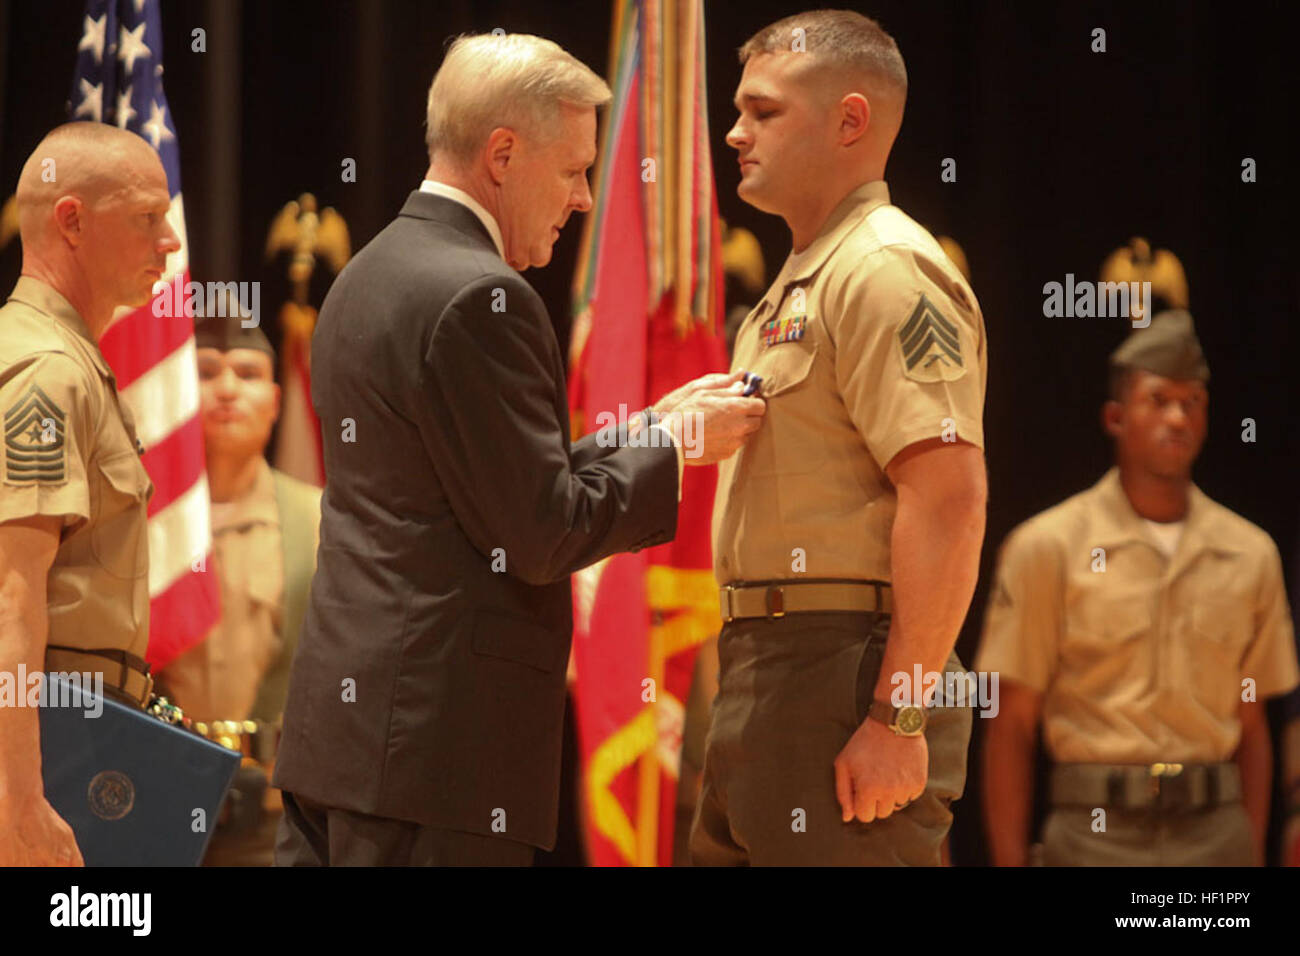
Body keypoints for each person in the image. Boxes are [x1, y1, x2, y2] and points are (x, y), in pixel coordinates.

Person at [272, 32, 764, 866]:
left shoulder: (369, 271)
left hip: (348, 740)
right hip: (438, 756)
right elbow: (540, 532)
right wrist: (677, 446)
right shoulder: (480, 295)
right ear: (502, 154)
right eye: (574, 169)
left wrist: (647, 428)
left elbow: (487, 482)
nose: (582, 199)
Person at [689, 10, 988, 866]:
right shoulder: (799, 282)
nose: (734, 131)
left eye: (764, 111)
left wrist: (899, 715)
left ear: (850, 121)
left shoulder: (887, 270)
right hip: (768, 666)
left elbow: (950, 498)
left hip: (843, 669)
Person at [978, 311, 1300, 866]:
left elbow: (1252, 726)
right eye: (1158, 400)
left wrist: (1246, 854)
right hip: (1092, 834)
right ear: (1115, 416)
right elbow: (1012, 724)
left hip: (1215, 833)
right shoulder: (1047, 547)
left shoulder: (1251, 553)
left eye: (1192, 402)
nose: (1178, 417)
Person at [0, 122, 180, 866]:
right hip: (50, 753)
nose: (169, 241)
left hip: (80, 739)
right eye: (146, 218)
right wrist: (19, 803)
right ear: (71, 221)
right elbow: (10, 599)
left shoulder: (71, 359)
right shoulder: (46, 368)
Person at [152, 308, 321, 866]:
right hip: (158, 796)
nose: (226, 389)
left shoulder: (319, 519)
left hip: (275, 813)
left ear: (275, 401)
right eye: (205, 371)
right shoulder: (141, 517)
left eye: (247, 374)